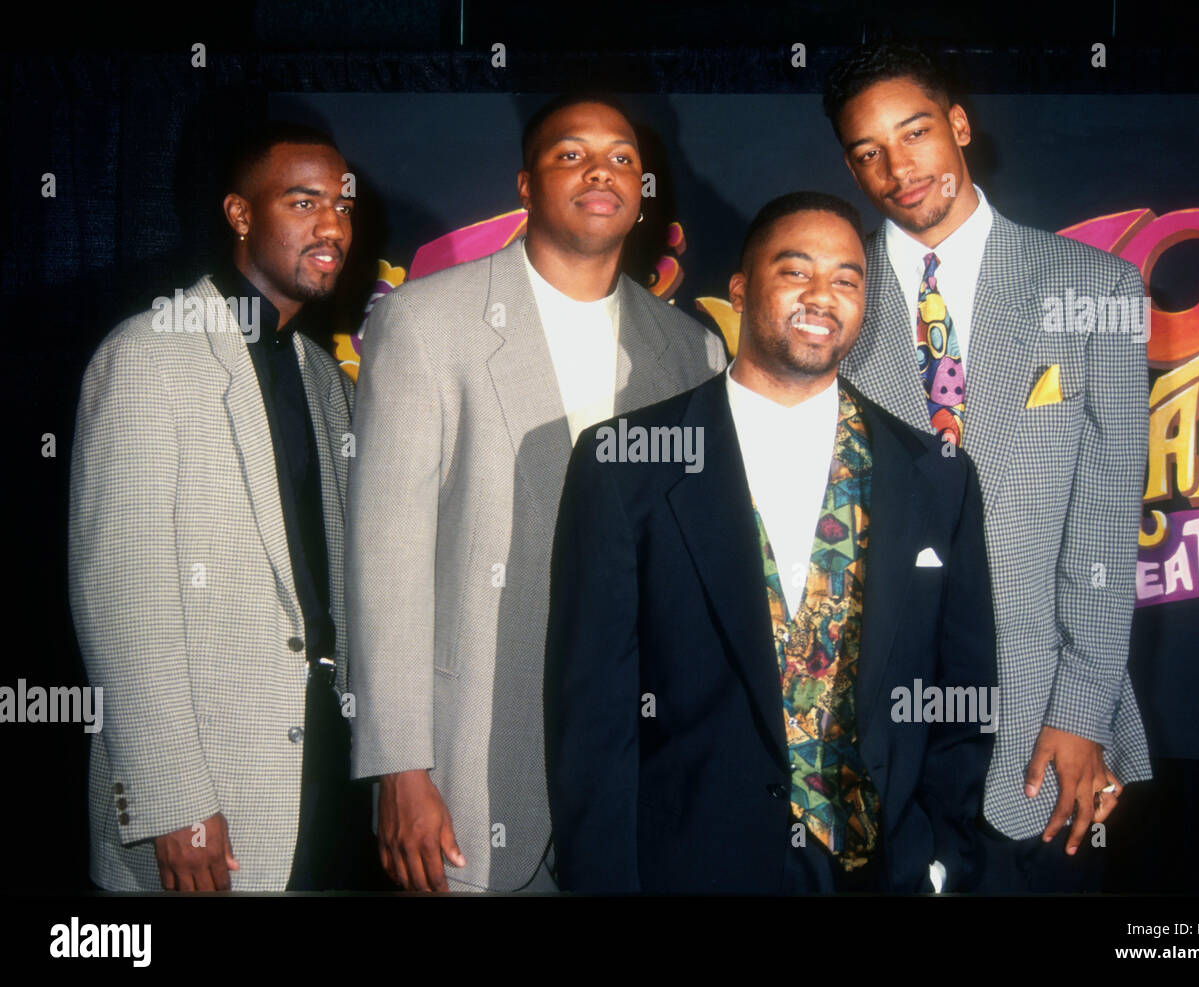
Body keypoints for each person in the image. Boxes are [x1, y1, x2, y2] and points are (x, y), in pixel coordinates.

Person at [545, 192, 997, 892]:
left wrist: (939, 858)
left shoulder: (936, 475)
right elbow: (591, 718)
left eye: (847, 280)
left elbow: (963, 690)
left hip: (876, 871)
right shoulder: (625, 463)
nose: (823, 296)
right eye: (796, 271)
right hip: (692, 871)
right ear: (739, 289)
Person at [346, 94, 726, 892]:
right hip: (472, 764)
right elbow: (386, 562)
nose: (601, 172)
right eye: (571, 155)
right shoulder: (424, 322)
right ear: (525, 185)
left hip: (638, 773)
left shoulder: (692, 350)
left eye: (622, 157)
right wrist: (400, 767)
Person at [824, 41, 1150, 891]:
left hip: (1041, 735)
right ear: (851, 168)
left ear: (960, 125)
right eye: (869, 152)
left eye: (916, 132)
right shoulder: (829, 303)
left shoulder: (1097, 289)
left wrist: (1081, 712)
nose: (899, 169)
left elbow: (1106, 524)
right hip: (870, 742)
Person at [69, 122, 378, 891]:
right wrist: (172, 800)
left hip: (321, 781)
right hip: (203, 798)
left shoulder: (326, 379)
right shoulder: (147, 354)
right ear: (240, 215)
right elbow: (121, 603)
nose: (333, 226)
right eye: (303, 202)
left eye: (342, 205)